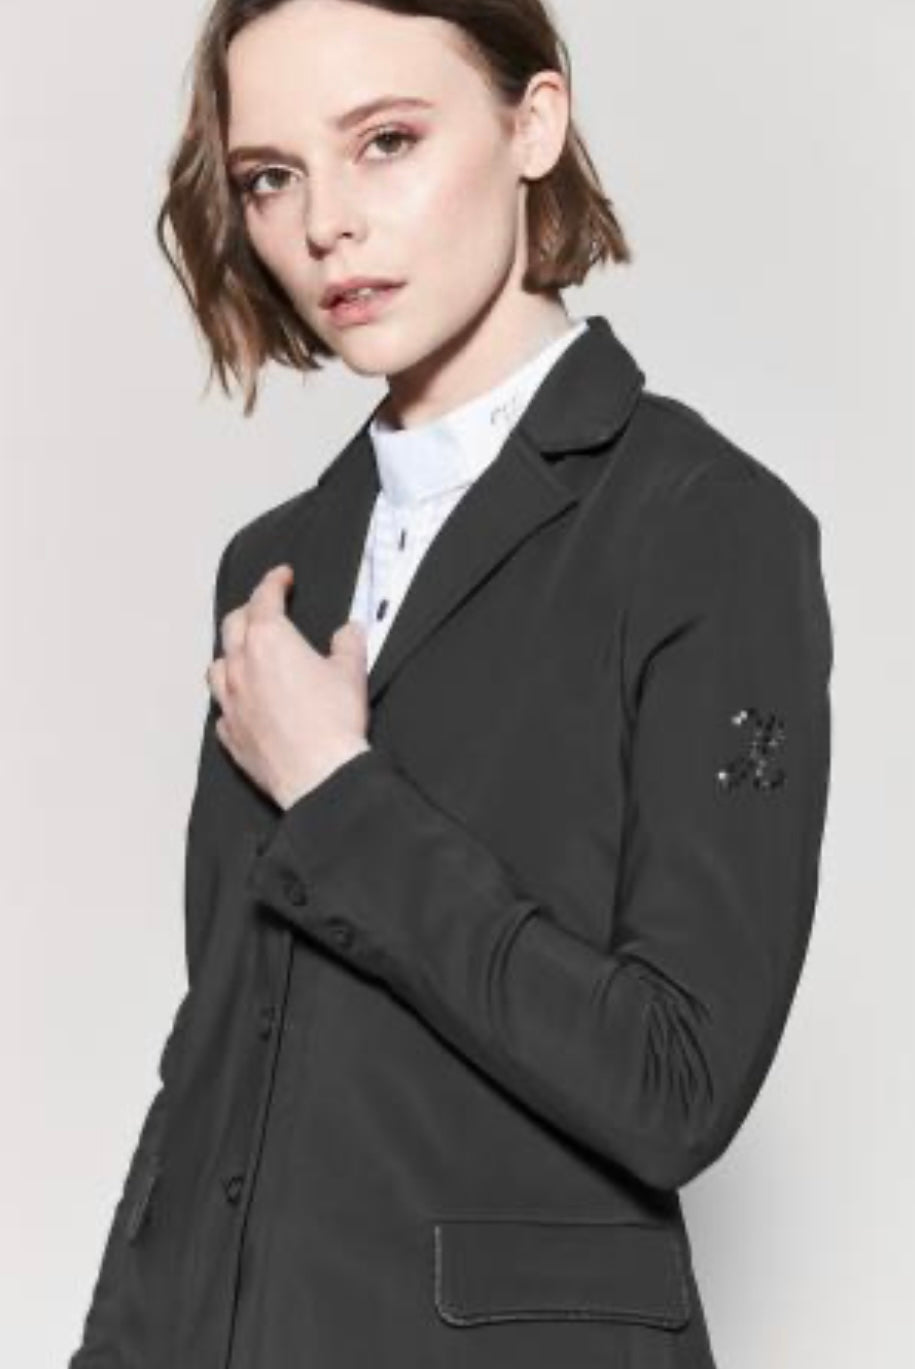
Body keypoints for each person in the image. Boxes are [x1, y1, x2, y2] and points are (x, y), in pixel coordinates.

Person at [69, 3, 833, 1367]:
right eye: (273, 176)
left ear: (533, 125)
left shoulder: (705, 527)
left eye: (387, 141)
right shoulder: (277, 565)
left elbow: (675, 1082)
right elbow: (223, 1060)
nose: (326, 226)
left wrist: (339, 794)